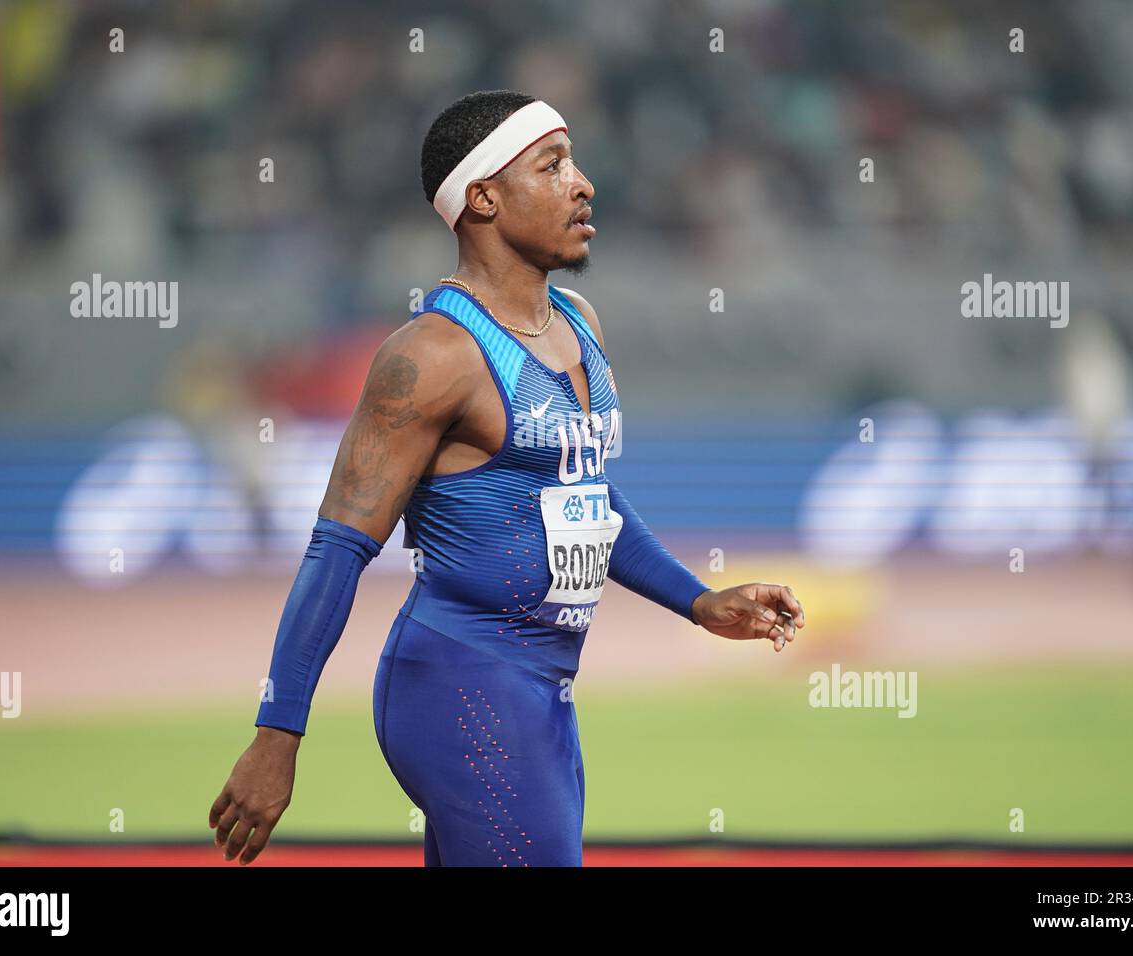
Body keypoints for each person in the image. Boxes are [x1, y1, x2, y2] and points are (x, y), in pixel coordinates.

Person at [208, 90, 805, 867]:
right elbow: (336, 550)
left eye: (574, 162)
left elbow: (583, 494)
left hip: (542, 692)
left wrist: (697, 600)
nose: (583, 183)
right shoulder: (431, 357)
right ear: (482, 197)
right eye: (552, 166)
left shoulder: (578, 321)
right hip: (462, 685)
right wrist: (277, 733)